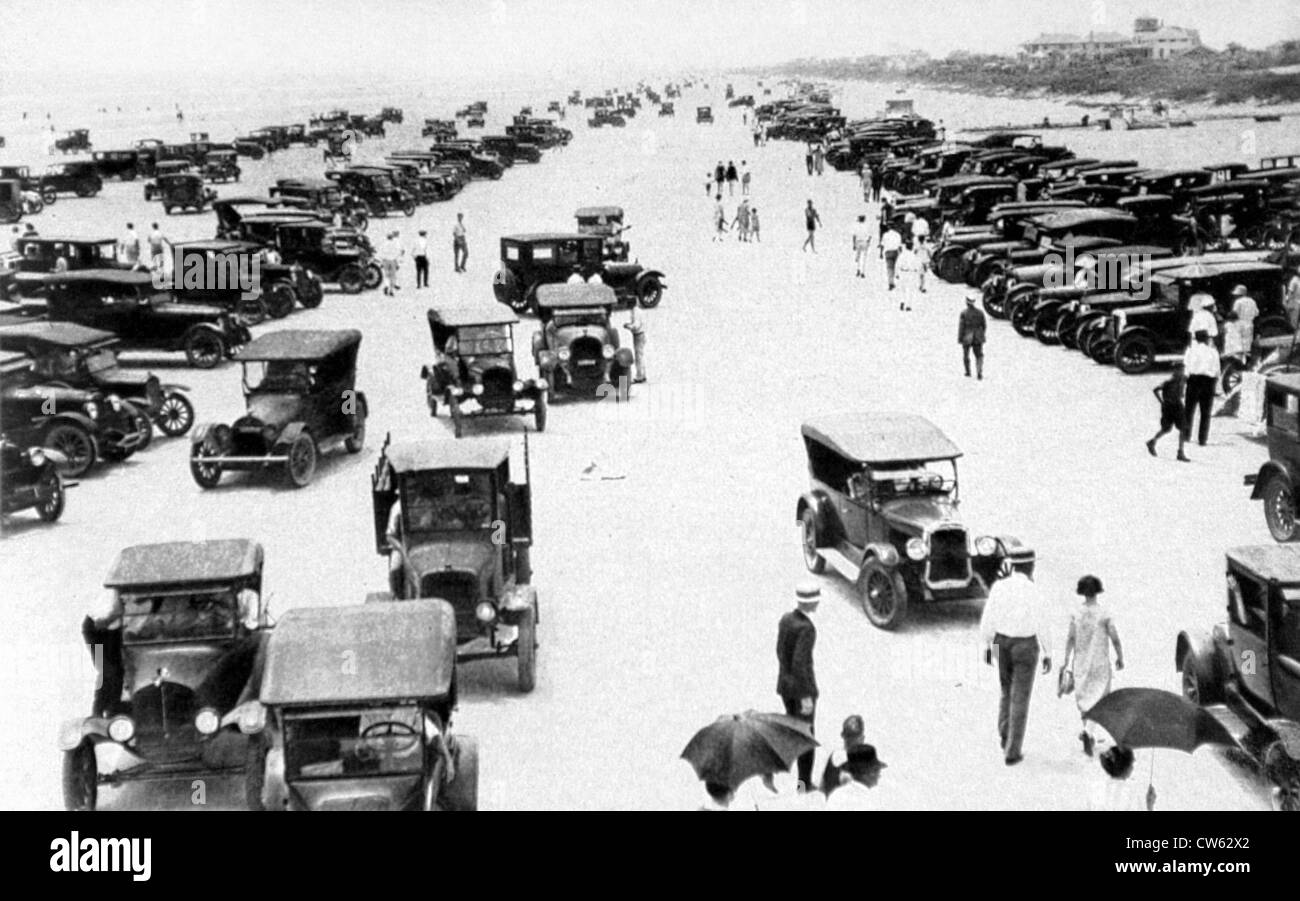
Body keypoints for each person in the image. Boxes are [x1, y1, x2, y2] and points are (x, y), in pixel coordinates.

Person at [979, 552, 1053, 765]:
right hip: (1025, 645)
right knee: (1020, 697)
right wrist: (1048, 652)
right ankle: (1012, 751)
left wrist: (987, 645)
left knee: (1005, 690)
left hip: (1000, 642)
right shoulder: (1035, 590)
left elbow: (988, 618)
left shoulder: (999, 587)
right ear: (1030, 567)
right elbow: (1043, 624)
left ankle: (1004, 733)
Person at [1062, 575, 1124, 756]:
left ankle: (1087, 731)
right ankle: (1088, 732)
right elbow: (1115, 638)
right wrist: (1120, 657)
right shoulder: (1105, 614)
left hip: (1080, 662)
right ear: (1098, 592)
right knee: (1099, 698)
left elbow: (1070, 638)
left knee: (1084, 697)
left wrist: (1066, 659)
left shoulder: (1075, 613)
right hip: (1099, 663)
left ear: (1081, 592)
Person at [776, 582, 819, 790]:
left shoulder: (786, 619)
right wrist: (806, 697)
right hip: (802, 692)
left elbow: (780, 652)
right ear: (813, 602)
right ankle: (804, 784)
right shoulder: (807, 628)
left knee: (795, 731)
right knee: (806, 739)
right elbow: (800, 663)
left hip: (785, 687)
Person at [1183, 330, 1219, 447]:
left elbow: (1186, 367)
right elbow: (1217, 370)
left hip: (1193, 380)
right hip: (1208, 382)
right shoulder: (1213, 352)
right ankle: (1202, 439)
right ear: (1207, 339)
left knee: (1189, 410)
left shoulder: (1191, 351)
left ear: (1196, 339)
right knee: (1205, 412)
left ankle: (1186, 435)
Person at [824, 744, 886, 811]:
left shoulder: (836, 795)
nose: (879, 776)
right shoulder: (870, 800)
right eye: (876, 770)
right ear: (865, 773)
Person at [1146, 365, 1189, 461]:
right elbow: (1156, 390)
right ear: (1175, 371)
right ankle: (1152, 441)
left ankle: (1180, 452)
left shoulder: (1183, 378)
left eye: (1182, 370)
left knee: (1182, 428)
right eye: (1179, 370)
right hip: (1168, 406)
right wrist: (1161, 401)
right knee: (1166, 429)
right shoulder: (1169, 381)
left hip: (1178, 405)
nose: (1181, 372)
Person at [820, 714, 867, 793]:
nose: (851, 741)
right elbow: (822, 787)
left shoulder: (865, 764)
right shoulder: (835, 757)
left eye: (854, 737)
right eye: (849, 737)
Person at [1226, 283, 1258, 363]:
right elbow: (1256, 313)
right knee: (1247, 346)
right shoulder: (1252, 301)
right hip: (1249, 324)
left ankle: (1239, 363)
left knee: (1238, 345)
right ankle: (1247, 363)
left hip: (1240, 324)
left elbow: (1234, 314)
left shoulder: (1238, 302)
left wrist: (1228, 315)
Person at [958, 295, 987, 379]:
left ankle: (968, 371)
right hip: (978, 336)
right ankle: (979, 372)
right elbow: (984, 325)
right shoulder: (980, 312)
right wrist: (981, 334)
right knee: (979, 355)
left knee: (966, 355)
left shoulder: (964, 313)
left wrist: (960, 338)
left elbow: (961, 327)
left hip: (967, 336)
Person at [623, 307, 646, 383]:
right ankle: (643, 374)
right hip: (640, 334)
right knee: (640, 355)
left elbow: (636, 325)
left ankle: (639, 376)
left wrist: (628, 326)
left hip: (638, 335)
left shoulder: (635, 312)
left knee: (638, 356)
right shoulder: (638, 310)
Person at [379, 230, 403, 295]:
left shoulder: (383, 244)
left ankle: (386, 286)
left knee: (387, 275)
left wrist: (381, 262)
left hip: (385, 261)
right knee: (393, 276)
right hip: (393, 261)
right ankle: (391, 290)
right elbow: (398, 253)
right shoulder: (394, 244)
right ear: (392, 237)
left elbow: (381, 253)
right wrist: (397, 263)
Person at [880, 223, 902, 289]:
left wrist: (880, 253)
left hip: (888, 252)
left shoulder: (885, 235)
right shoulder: (897, 235)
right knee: (895, 265)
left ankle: (890, 282)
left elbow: (882, 245)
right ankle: (896, 275)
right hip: (895, 251)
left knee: (889, 268)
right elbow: (900, 246)